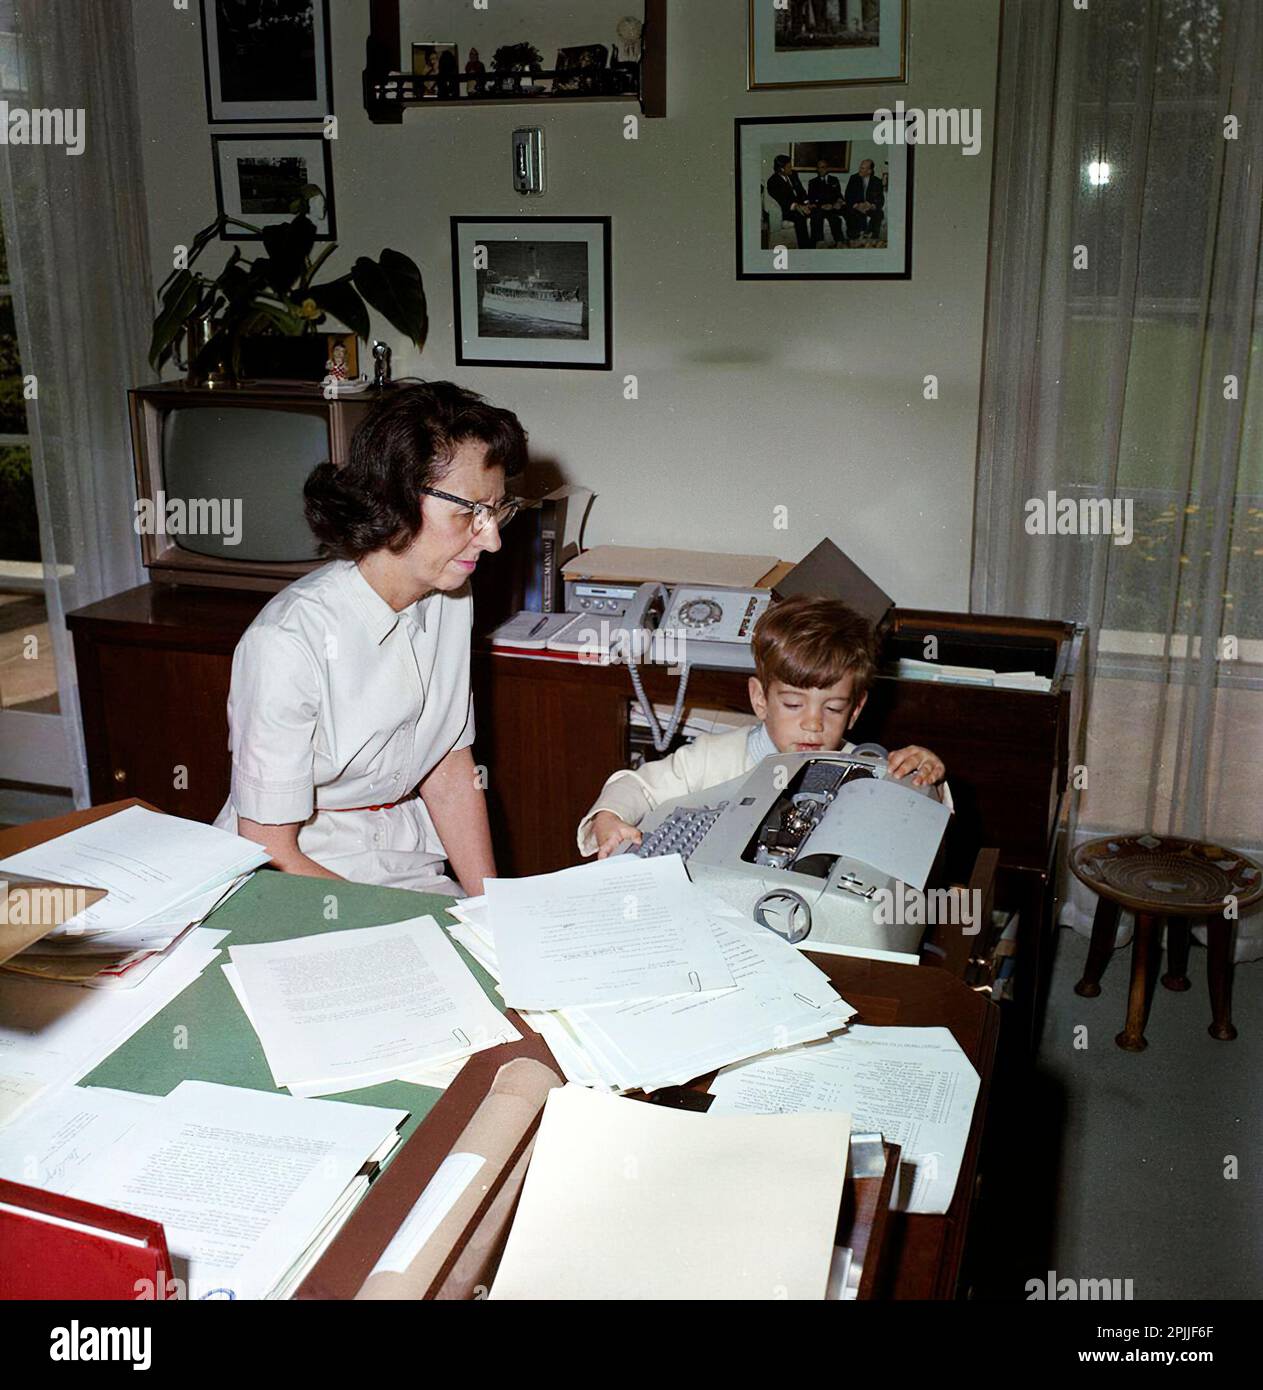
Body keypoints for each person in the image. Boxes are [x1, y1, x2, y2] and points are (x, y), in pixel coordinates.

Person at [214, 380, 527, 896]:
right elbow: (270, 849)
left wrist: (494, 909)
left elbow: (448, 767)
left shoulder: (451, 593)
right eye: (470, 512)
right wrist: (402, 925)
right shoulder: (285, 642)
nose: (491, 538)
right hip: (298, 871)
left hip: (405, 855)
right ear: (399, 496)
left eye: (496, 511)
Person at [577, 596, 950, 858]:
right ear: (759, 700)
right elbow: (636, 786)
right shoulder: (713, 758)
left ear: (855, 711)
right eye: (792, 704)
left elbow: (919, 832)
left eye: (834, 708)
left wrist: (925, 781)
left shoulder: (864, 773)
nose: (813, 723)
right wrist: (609, 820)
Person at [766, 153, 815, 249]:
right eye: (789, 166)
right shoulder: (773, 181)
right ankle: (805, 248)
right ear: (781, 169)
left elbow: (801, 191)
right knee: (799, 216)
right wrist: (797, 206)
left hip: (801, 205)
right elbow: (781, 199)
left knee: (817, 212)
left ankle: (816, 243)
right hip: (788, 209)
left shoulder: (793, 175)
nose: (791, 168)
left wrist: (806, 203)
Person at [807, 158, 846, 247]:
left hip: (832, 207)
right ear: (817, 169)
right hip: (819, 208)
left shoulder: (834, 180)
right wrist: (821, 205)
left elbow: (839, 195)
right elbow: (811, 198)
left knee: (835, 219)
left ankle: (839, 241)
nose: (821, 169)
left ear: (827, 168)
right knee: (816, 217)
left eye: (823, 167)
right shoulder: (812, 182)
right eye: (819, 167)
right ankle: (819, 242)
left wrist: (836, 203)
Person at [844, 158, 885, 242]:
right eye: (860, 167)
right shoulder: (853, 178)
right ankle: (853, 237)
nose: (860, 170)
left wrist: (872, 205)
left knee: (879, 213)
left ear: (869, 171)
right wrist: (856, 205)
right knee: (849, 212)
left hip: (869, 207)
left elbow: (880, 199)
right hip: (856, 206)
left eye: (862, 168)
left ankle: (872, 236)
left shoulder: (877, 181)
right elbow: (848, 196)